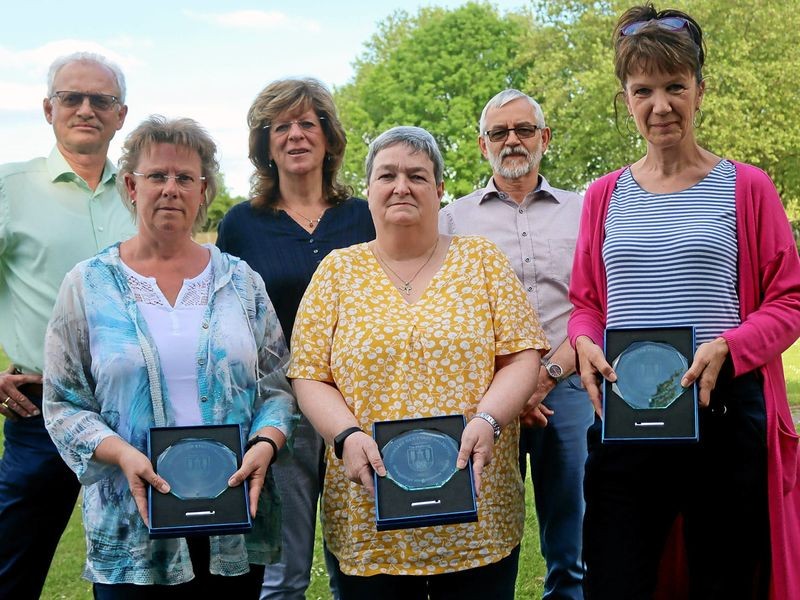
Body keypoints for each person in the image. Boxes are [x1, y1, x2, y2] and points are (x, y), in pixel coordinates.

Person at [568, 5, 800, 598]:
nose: (660, 105)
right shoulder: (603, 195)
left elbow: (788, 299)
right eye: (643, 90)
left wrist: (730, 346)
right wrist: (585, 342)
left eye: (675, 86)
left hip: (722, 412)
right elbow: (587, 302)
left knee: (727, 580)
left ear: (701, 89)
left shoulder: (747, 186)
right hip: (626, 418)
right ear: (625, 99)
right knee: (617, 580)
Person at [289, 125, 549, 599]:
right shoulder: (337, 271)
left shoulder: (482, 261)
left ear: (441, 189)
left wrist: (489, 419)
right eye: (386, 175)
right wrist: (345, 435)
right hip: (370, 518)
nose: (401, 186)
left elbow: (522, 356)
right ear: (368, 190)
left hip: (477, 511)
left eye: (418, 175)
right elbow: (310, 374)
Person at [42, 115, 296, 598]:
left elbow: (277, 387)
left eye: (186, 178)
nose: (171, 189)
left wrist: (266, 443)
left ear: (204, 192)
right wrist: (123, 454)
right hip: (132, 522)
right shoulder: (88, 284)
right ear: (132, 186)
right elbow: (64, 402)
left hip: (233, 517)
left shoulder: (241, 282)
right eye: (157, 176)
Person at [216, 77, 375, 600]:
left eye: (308, 123)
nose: (296, 135)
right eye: (280, 126)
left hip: (362, 408)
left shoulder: (364, 216)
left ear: (329, 137)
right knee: (284, 575)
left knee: (359, 560)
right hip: (281, 413)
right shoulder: (242, 225)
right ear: (264, 145)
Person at [439, 88, 593, 600]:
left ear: (543, 138)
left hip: (568, 390)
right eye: (498, 132)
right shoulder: (452, 222)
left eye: (523, 129)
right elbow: (447, 315)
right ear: (483, 145)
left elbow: (596, 302)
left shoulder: (584, 209)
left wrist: (545, 377)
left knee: (572, 537)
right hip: (487, 401)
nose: (512, 140)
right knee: (483, 533)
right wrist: (512, 390)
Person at [0, 51, 135, 599]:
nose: (85, 109)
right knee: (10, 571)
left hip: (135, 413)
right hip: (41, 413)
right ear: (47, 109)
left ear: (121, 114)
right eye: (71, 98)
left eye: (100, 100)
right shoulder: (10, 189)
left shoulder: (140, 191)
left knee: (136, 575)